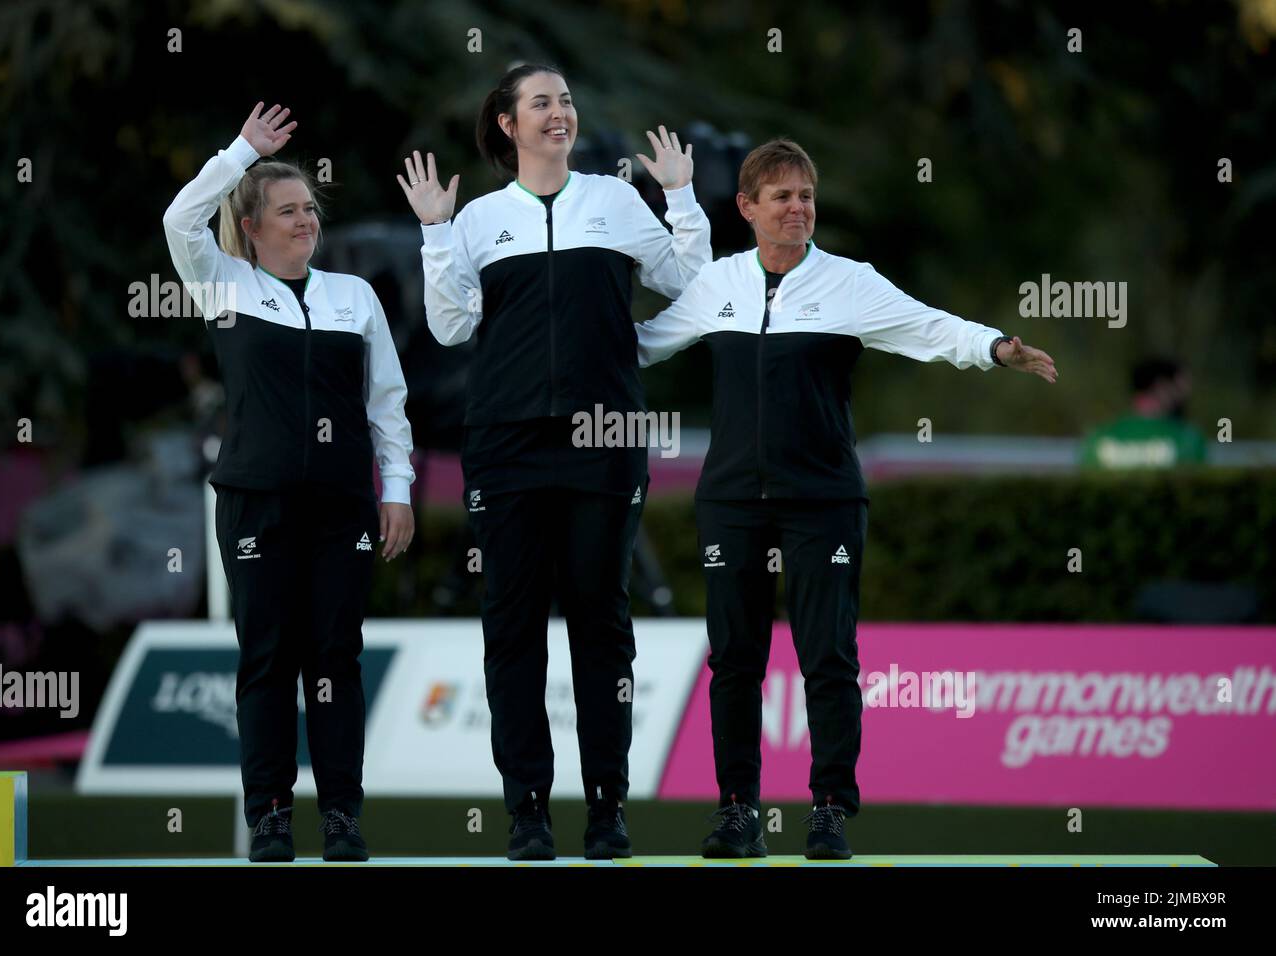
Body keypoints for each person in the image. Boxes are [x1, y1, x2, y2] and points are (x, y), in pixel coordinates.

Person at [635, 138, 1057, 859]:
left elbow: (929, 327)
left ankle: (828, 808)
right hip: (731, 500)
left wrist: (995, 346)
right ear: (747, 208)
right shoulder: (716, 284)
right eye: (782, 198)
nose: (798, 209)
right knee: (735, 661)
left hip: (823, 498)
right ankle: (737, 811)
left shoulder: (849, 281)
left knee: (826, 656)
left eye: (806, 196)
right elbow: (641, 344)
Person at [399, 63, 711, 860]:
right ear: (507, 124)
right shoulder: (476, 219)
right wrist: (436, 230)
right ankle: (527, 813)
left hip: (604, 444)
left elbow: (689, 283)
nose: (559, 113)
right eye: (541, 102)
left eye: (567, 100)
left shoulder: (613, 201)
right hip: (505, 445)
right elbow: (447, 328)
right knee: (512, 627)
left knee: (602, 626)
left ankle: (607, 810)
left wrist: (679, 197)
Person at [164, 103, 416, 862]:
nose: (306, 221)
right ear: (251, 226)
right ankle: (270, 816)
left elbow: (387, 402)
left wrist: (396, 487)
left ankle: (341, 815)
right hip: (256, 502)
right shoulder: (224, 284)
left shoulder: (354, 297)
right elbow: (182, 217)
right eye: (288, 211)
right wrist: (241, 151)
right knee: (266, 658)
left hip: (341, 507)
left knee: (336, 658)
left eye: (310, 208)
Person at [1078, 358, 1207, 469]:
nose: (1185, 397)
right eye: (1179, 389)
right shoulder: (1188, 439)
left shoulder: (1097, 438)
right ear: (1161, 387)